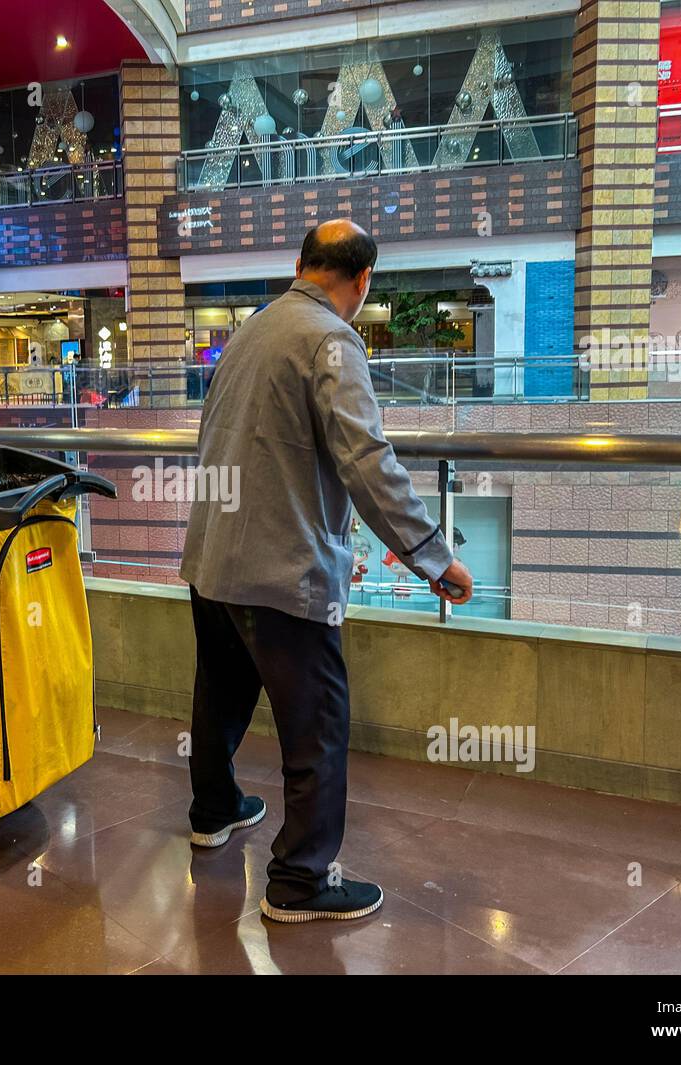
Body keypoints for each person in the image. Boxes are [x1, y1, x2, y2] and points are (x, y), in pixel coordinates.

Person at [179, 219, 474, 924]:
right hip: (282, 573)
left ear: (301, 265)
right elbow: (367, 461)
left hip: (213, 557)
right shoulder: (332, 340)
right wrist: (432, 555)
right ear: (362, 279)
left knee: (221, 694)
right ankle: (300, 880)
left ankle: (214, 809)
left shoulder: (251, 329)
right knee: (318, 725)